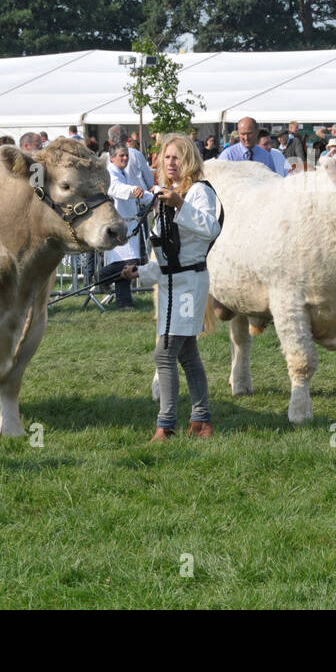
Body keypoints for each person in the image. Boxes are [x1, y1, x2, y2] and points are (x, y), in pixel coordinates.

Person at [121, 134, 221, 441]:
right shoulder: (166, 195)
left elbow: (210, 227)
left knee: (164, 354)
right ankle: (201, 422)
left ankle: (166, 426)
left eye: (176, 157)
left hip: (189, 288)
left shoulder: (199, 192)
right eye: (166, 157)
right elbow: (167, 256)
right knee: (187, 353)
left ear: (189, 160)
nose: (170, 163)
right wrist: (138, 272)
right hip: (170, 285)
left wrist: (180, 204)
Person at [105, 144, 154, 308]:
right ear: (112, 158)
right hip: (118, 223)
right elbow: (116, 189)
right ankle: (101, 276)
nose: (125, 158)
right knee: (129, 262)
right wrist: (135, 190)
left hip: (129, 222)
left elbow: (137, 193)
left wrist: (154, 196)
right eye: (121, 156)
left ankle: (124, 302)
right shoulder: (110, 172)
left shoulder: (122, 173)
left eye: (126, 155)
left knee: (127, 263)